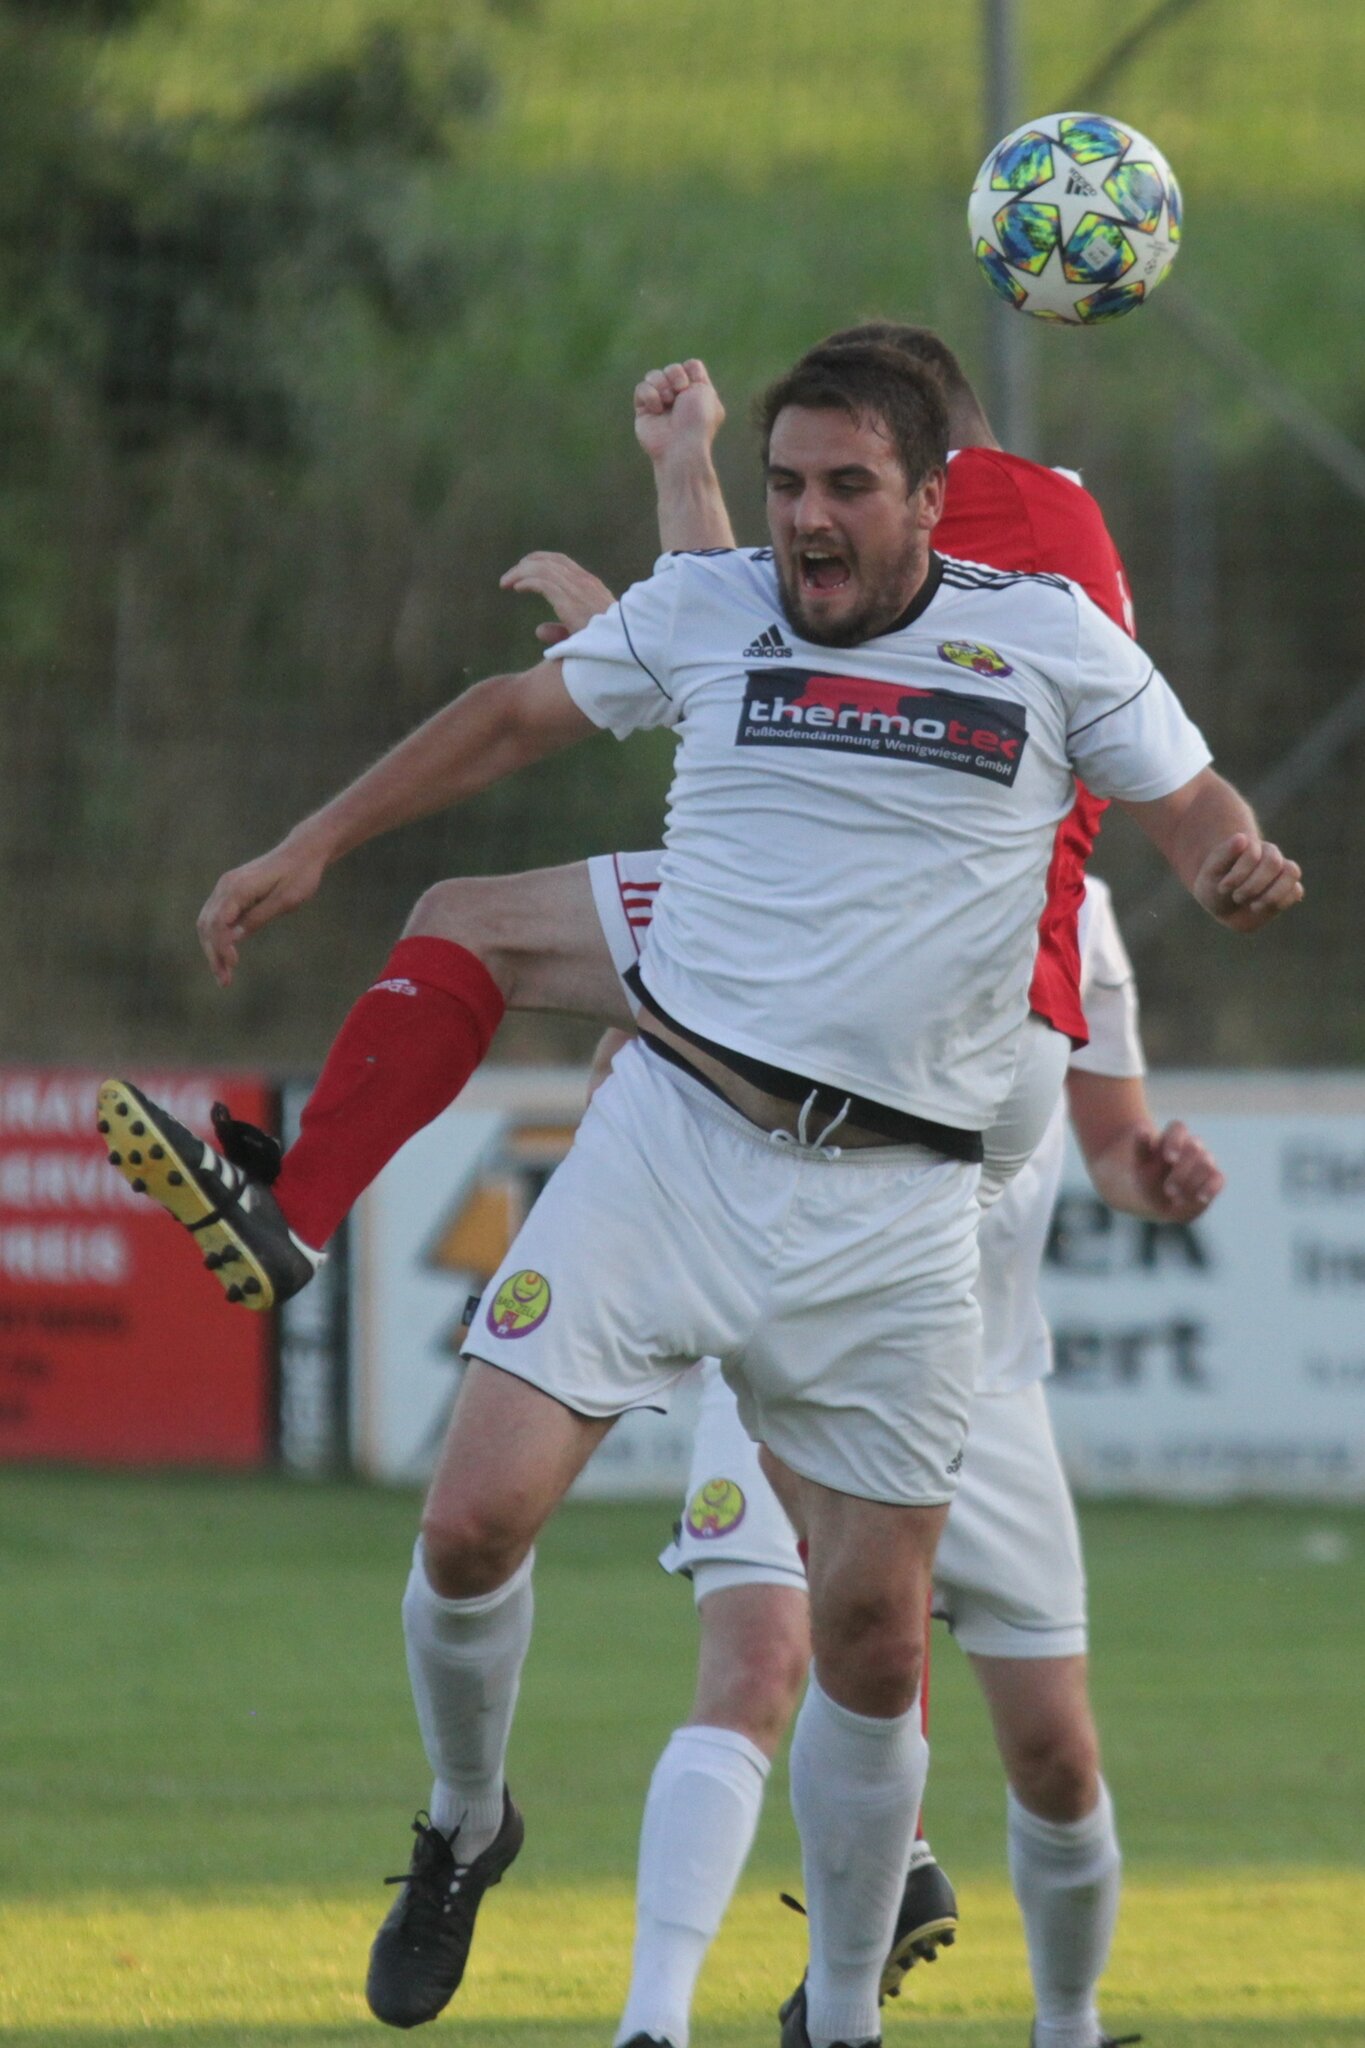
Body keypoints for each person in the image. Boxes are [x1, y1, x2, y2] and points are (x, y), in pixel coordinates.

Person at [100, 339, 1299, 2048]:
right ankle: (462, 1819)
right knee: (466, 1523)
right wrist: (310, 845)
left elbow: (1188, 801)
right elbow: (516, 713)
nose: (805, 520)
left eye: (845, 488)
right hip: (677, 1138)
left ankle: (835, 2012)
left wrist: (1230, 860)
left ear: (932, 503)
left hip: (894, 1214)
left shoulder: (1047, 642)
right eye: (789, 482)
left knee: (875, 1646)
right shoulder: (720, 604)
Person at [588, 867, 1212, 2048]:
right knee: (758, 1660)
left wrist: (1158, 1178)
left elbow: (1116, 1140)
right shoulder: (815, 834)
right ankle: (653, 2023)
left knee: (1055, 1752)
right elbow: (650, 1058)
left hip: (981, 1385)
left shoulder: (1076, 908)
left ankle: (1067, 2025)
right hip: (788, 1342)